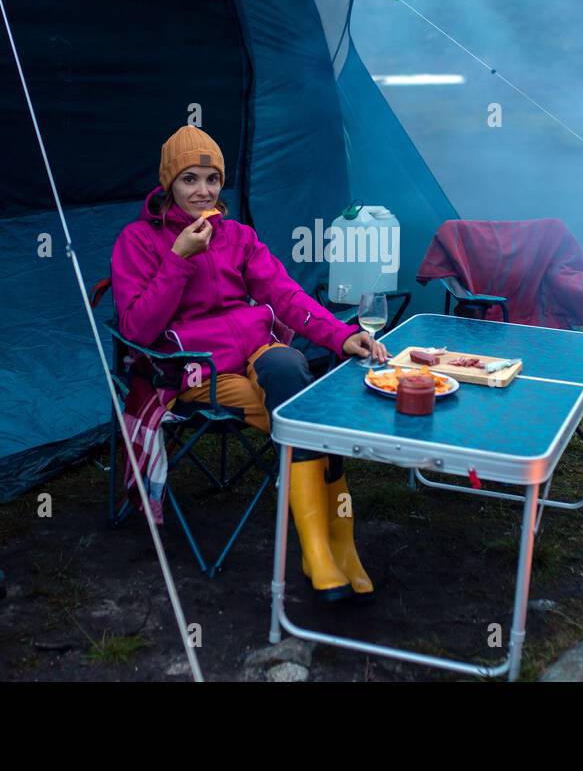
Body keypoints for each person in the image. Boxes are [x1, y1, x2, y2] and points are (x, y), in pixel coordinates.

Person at [112, 125, 389, 602]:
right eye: (190, 179)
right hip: (196, 373)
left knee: (293, 377)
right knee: (312, 421)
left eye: (213, 179)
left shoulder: (237, 236)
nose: (203, 191)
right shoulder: (138, 241)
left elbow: (285, 296)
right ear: (168, 184)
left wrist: (343, 336)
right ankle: (318, 549)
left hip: (256, 355)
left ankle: (338, 545)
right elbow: (137, 330)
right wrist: (179, 259)